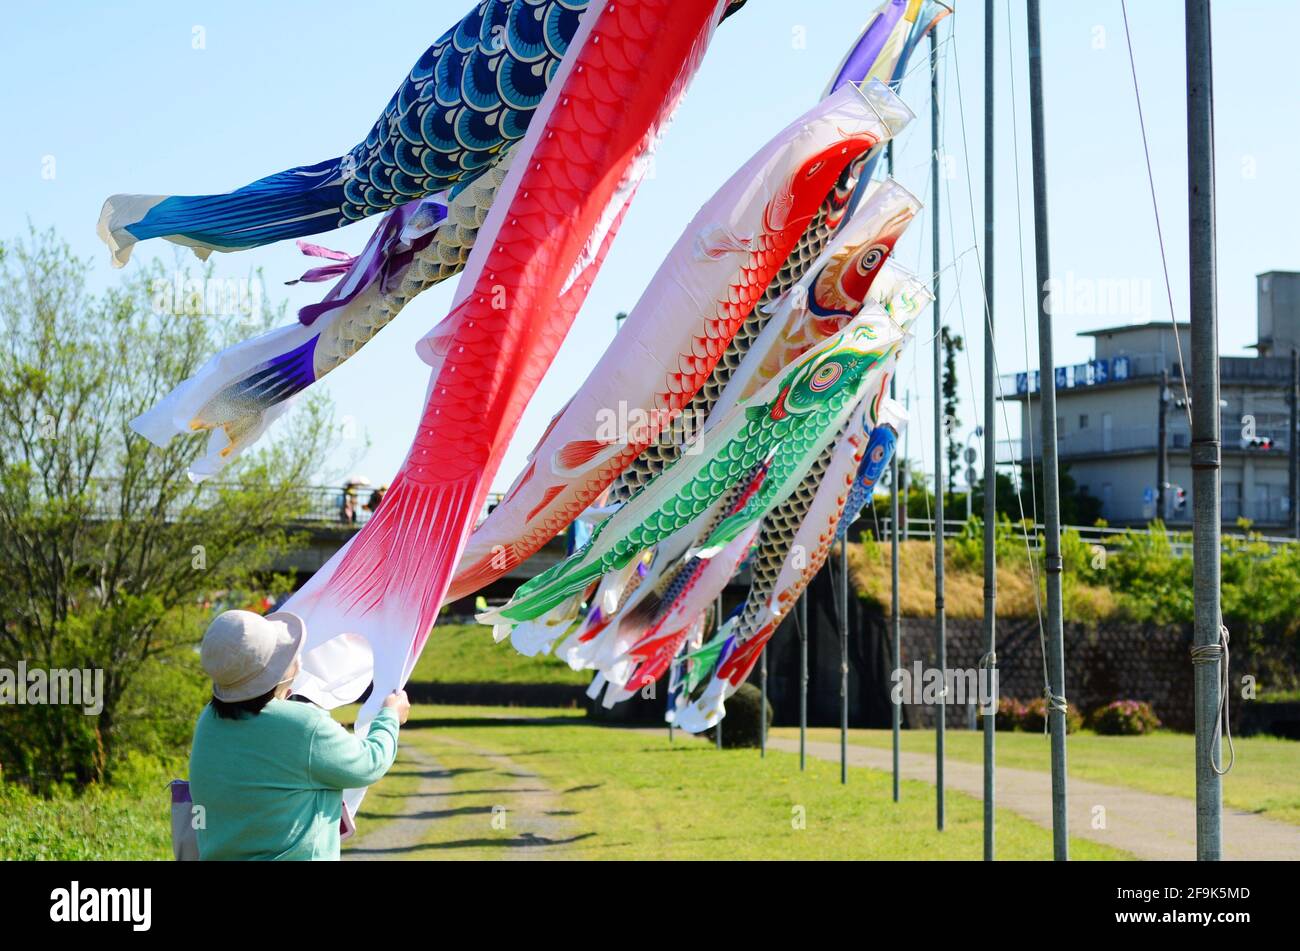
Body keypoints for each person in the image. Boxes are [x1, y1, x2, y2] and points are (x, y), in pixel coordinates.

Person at [188, 609, 408, 860]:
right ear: (275, 673)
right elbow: (370, 762)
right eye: (287, 655)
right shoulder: (304, 726)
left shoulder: (208, 721)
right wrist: (390, 716)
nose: (298, 660)